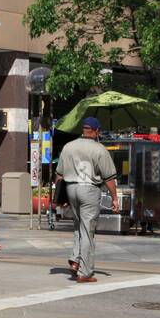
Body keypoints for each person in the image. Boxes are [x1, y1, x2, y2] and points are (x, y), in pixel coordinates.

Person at [55, 116, 118, 283]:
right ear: (96, 131)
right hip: (89, 189)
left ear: (83, 129)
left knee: (78, 226)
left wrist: (60, 197)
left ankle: (75, 260)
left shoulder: (68, 147)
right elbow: (109, 178)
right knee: (88, 230)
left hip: (71, 188)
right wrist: (114, 198)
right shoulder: (99, 149)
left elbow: (59, 175)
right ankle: (85, 272)